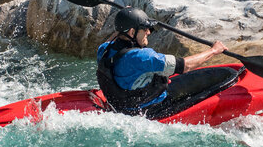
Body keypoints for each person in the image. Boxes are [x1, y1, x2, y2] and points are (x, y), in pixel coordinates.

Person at [96, 6, 230, 116]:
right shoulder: (142, 57)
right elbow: (185, 66)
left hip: (124, 107)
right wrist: (213, 51)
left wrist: (125, 18)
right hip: (153, 109)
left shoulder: (104, 50)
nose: (148, 32)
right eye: (144, 28)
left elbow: (119, 35)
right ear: (132, 32)